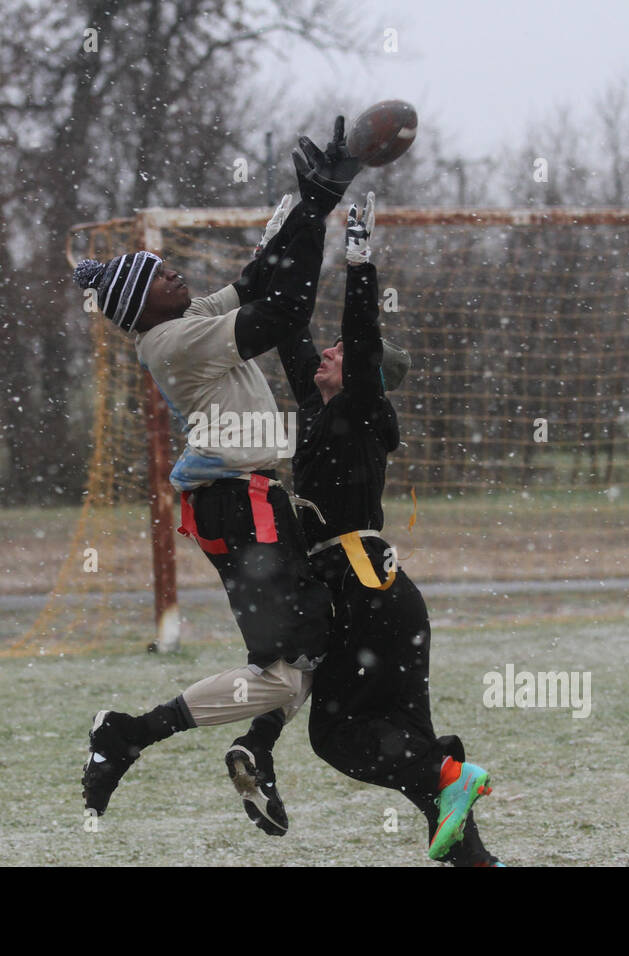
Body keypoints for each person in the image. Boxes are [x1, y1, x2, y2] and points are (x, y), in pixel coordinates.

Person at [71, 120, 361, 824]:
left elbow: (260, 279)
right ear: (140, 306)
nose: (175, 272)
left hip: (245, 499)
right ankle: (130, 734)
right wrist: (317, 211)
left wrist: (307, 208)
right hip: (237, 502)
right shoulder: (173, 340)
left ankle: (253, 747)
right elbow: (286, 308)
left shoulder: (184, 319)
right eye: (159, 276)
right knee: (286, 667)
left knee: (309, 651)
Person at [228, 193, 504, 866]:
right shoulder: (322, 407)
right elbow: (288, 325)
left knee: (339, 738)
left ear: (365, 372)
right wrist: (277, 251)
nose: (327, 350)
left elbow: (358, 329)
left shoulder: (360, 410)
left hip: (367, 595)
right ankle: (475, 858)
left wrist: (360, 261)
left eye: (343, 350)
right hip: (381, 597)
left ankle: (447, 777)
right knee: (406, 742)